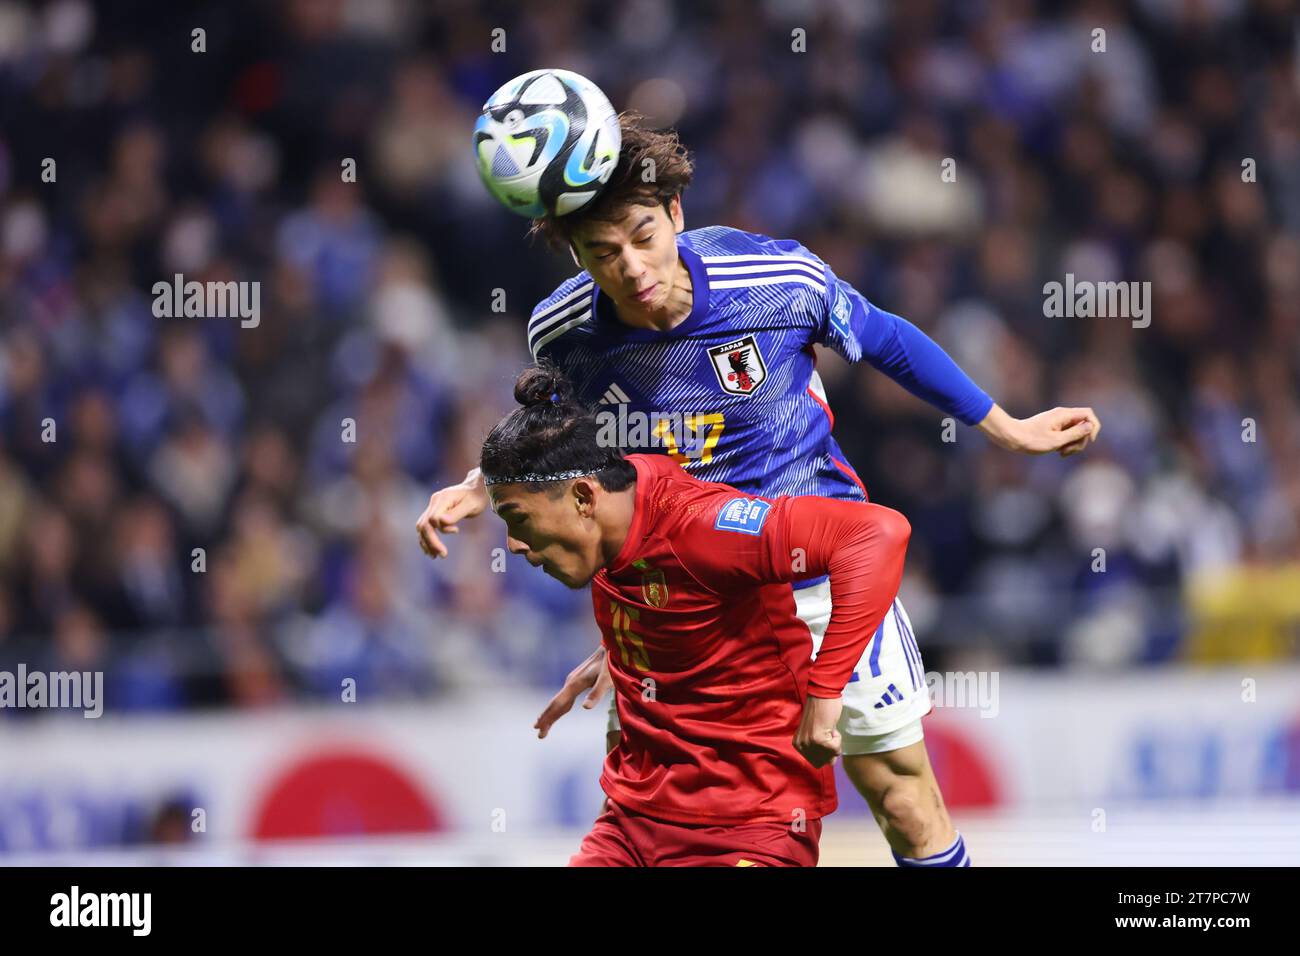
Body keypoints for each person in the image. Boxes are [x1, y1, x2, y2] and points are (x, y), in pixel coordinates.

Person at [419, 114, 1100, 867]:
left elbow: (883, 337)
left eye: (644, 237)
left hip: (821, 568)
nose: (632, 269)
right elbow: (559, 441)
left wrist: (1003, 425)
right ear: (577, 258)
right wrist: (480, 488)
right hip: (699, 595)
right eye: (602, 255)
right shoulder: (566, 331)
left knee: (904, 800)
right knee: (666, 816)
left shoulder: (774, 280)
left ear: (675, 212)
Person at [480, 363, 911, 866]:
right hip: (631, 828)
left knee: (911, 806)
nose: (511, 544)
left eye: (516, 518)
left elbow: (877, 534)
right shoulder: (607, 521)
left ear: (582, 498)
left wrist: (826, 691)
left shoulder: (703, 528)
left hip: (751, 828)